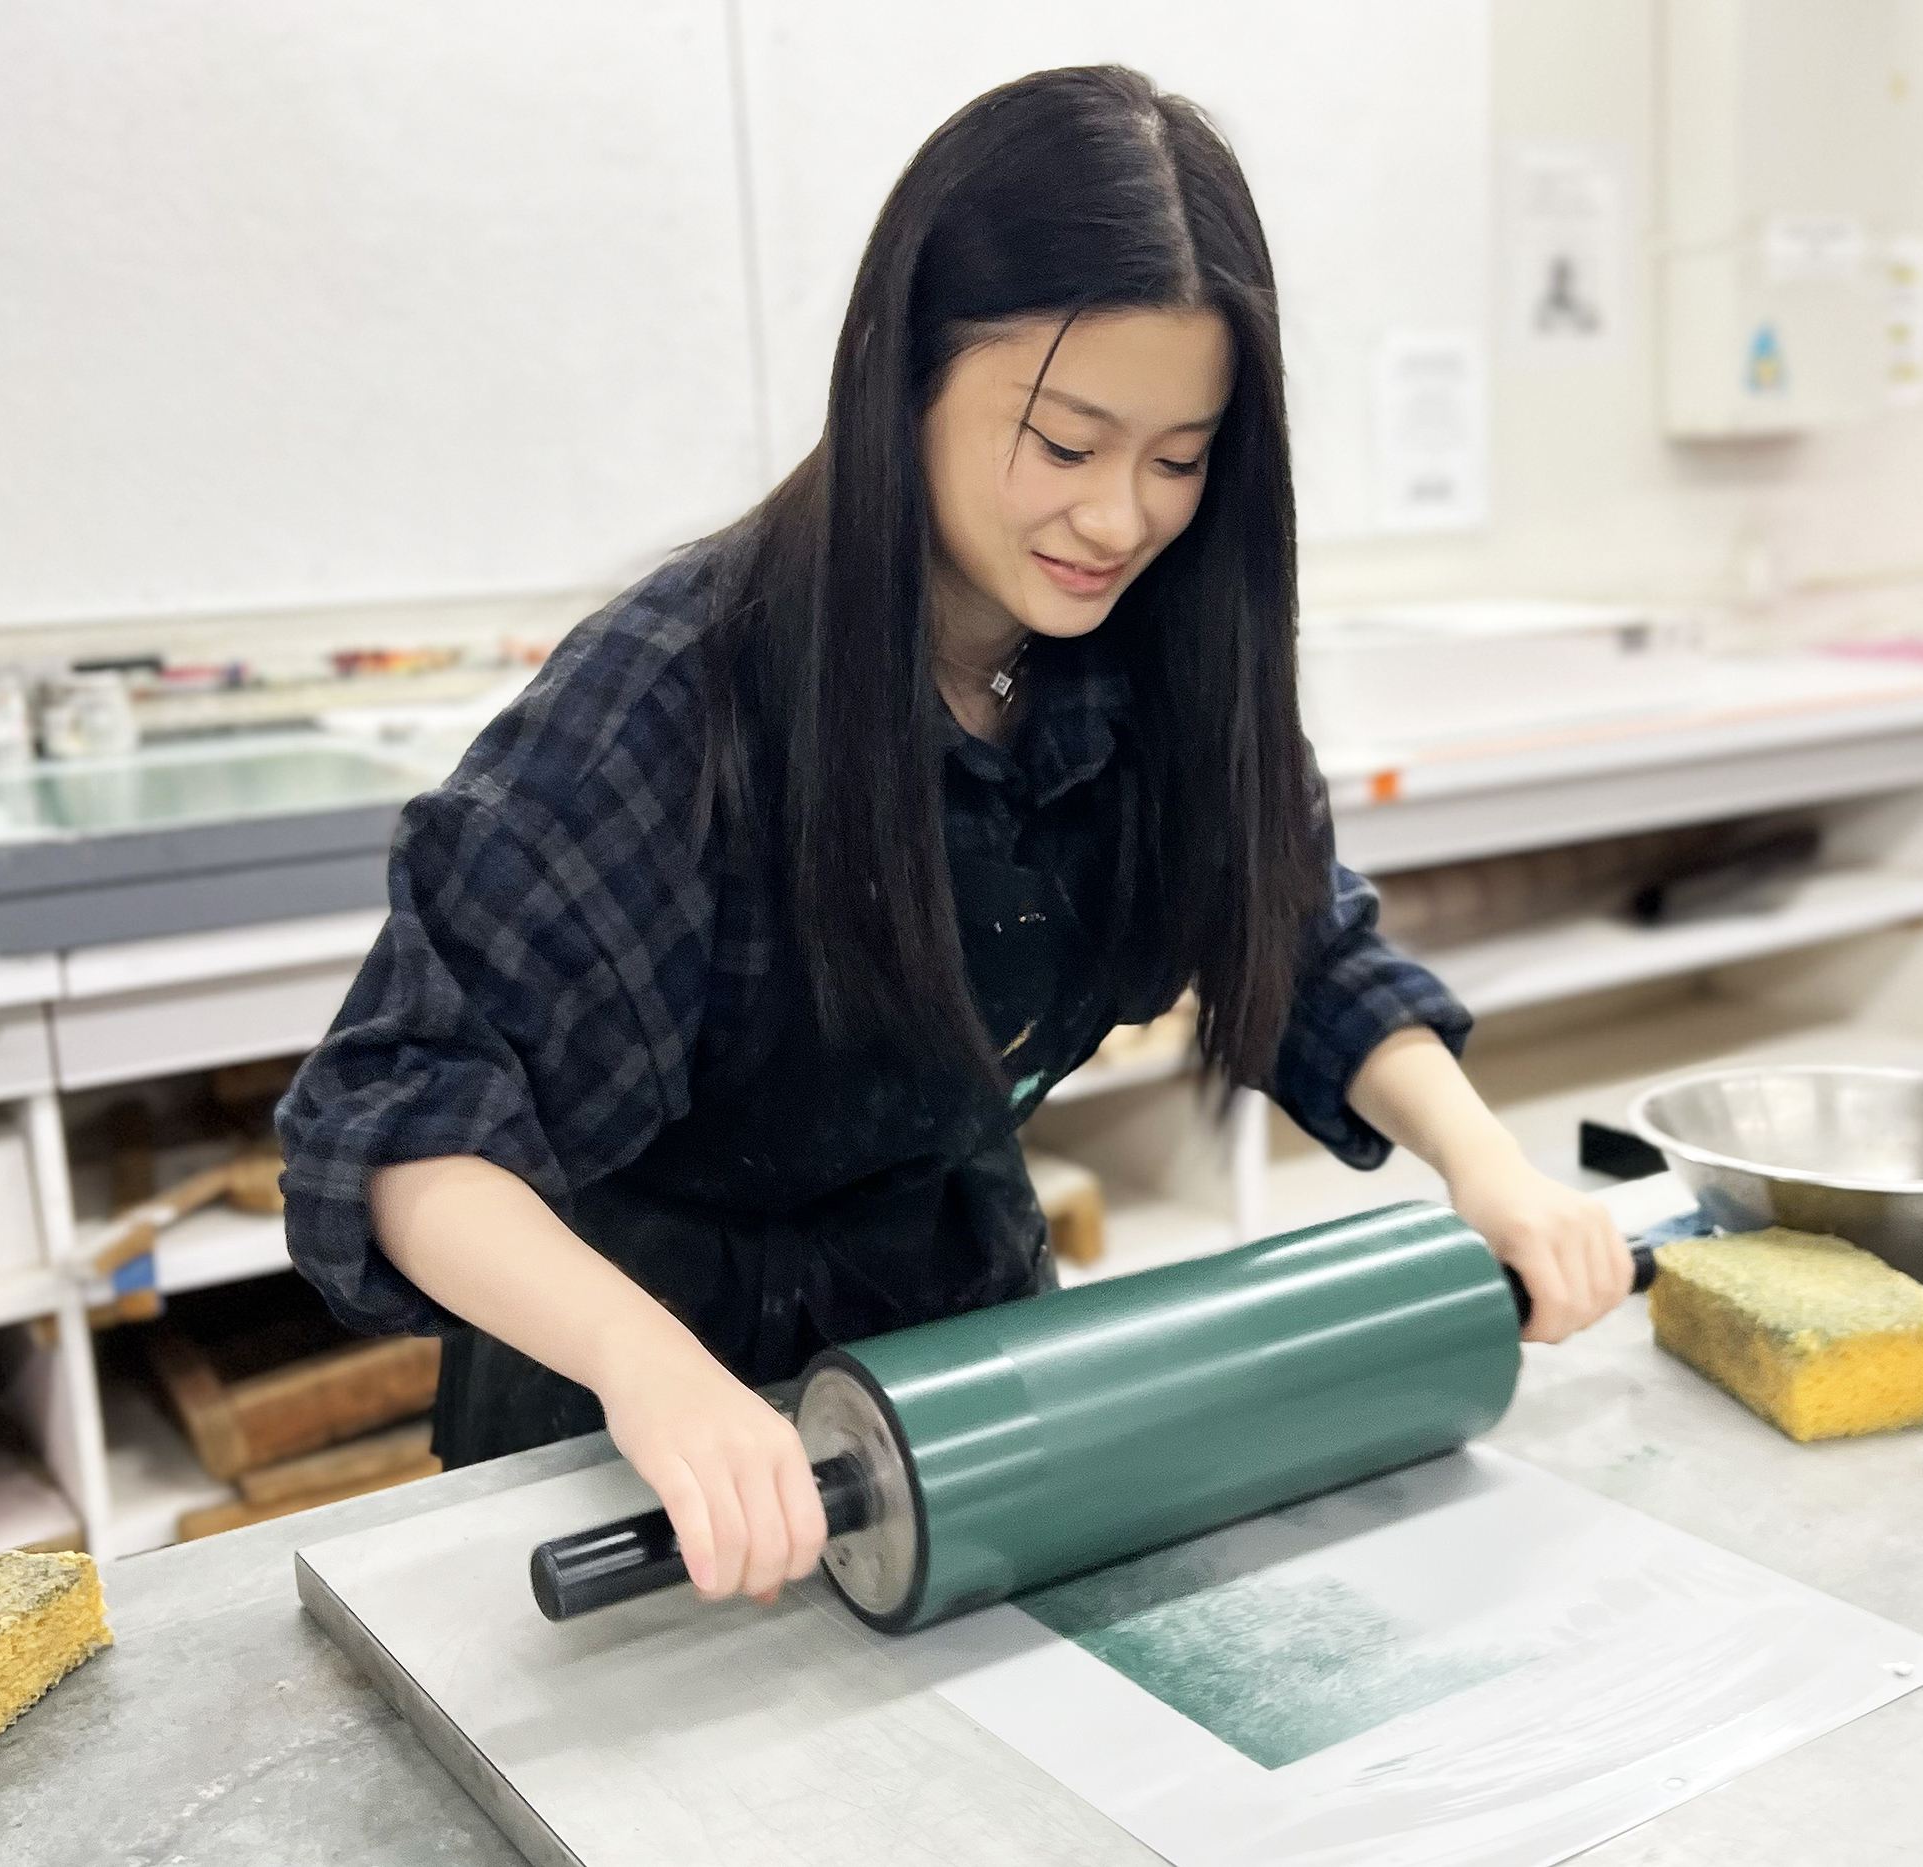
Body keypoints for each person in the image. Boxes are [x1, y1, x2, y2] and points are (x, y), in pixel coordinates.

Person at [278, 65, 1631, 1610]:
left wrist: (1493, 1171)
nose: (1120, 517)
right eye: (1062, 444)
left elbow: (1296, 936)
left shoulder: (1159, 653)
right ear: (906, 375)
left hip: (962, 1355)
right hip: (634, 1404)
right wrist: (652, 1372)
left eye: (1180, 459)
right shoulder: (683, 689)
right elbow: (396, 1123)